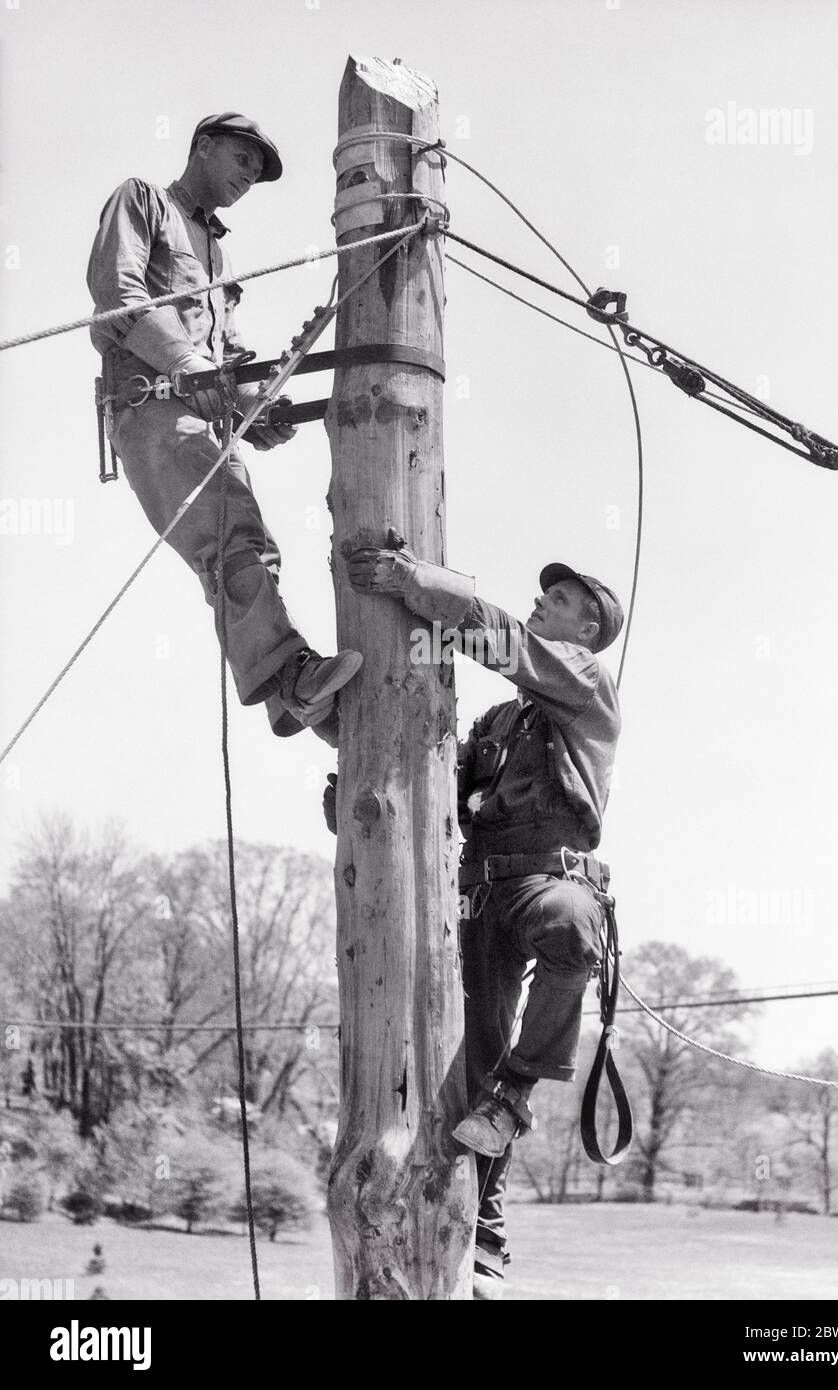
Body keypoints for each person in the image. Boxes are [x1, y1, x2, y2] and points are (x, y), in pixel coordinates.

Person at [344, 534, 623, 1298]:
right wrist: (360, 786)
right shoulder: (502, 720)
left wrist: (415, 582)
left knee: (571, 923)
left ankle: (519, 1091)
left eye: (560, 601)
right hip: (477, 888)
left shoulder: (587, 684)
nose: (543, 603)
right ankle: (484, 1234)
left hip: (545, 877)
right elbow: (436, 781)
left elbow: (499, 637)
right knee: (470, 1060)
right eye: (546, 595)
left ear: (588, 629)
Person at [86, 112, 361, 742]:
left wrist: (255, 407)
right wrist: (192, 366)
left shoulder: (218, 251)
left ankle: (289, 698)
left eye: (257, 173)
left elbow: (227, 357)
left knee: (253, 549)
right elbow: (117, 294)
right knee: (231, 536)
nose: (248, 178)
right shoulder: (144, 201)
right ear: (203, 146)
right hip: (149, 404)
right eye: (242, 160)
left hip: (197, 414)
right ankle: (290, 676)